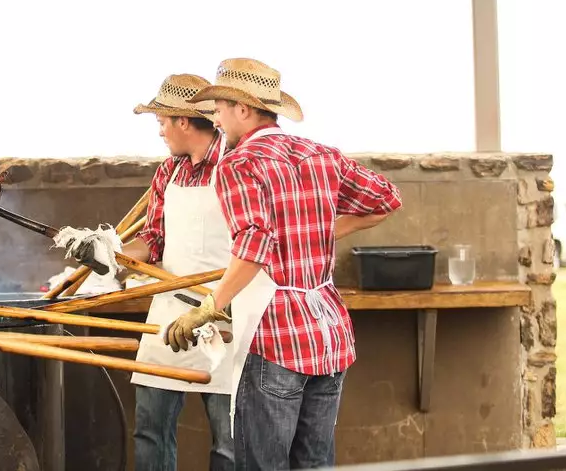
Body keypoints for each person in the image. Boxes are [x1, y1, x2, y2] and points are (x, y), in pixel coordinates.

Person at [163, 57, 402, 470]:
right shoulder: (321, 154)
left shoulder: (238, 165)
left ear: (243, 109)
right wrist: (320, 229)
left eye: (219, 106)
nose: (215, 118)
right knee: (314, 465)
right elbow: (386, 201)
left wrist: (207, 307)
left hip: (277, 338)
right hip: (328, 336)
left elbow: (253, 245)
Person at [68, 73, 237, 471]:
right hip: (169, 311)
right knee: (150, 430)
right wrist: (109, 252)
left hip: (225, 312)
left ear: (182, 120)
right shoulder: (168, 172)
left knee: (230, 442)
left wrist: (220, 302)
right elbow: (154, 242)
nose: (159, 130)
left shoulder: (236, 167)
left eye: (162, 120)